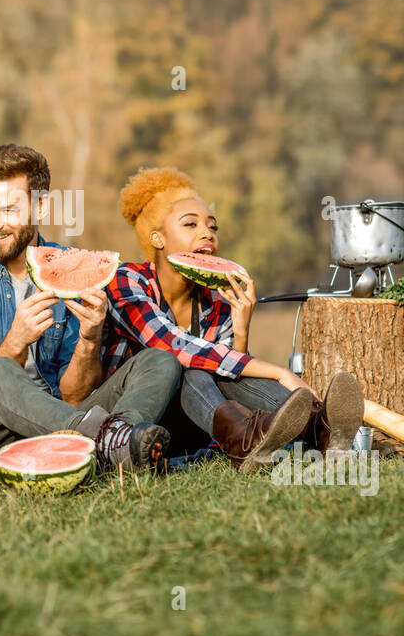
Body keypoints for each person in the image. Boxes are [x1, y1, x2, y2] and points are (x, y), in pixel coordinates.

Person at [0, 144, 183, 471]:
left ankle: (114, 446)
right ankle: (109, 443)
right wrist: (16, 340)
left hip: (60, 424)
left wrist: (90, 340)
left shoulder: (70, 267)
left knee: (160, 361)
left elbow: (74, 396)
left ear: (41, 209)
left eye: (8, 210)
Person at [104, 167, 364, 469]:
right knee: (188, 366)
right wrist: (279, 372)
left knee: (206, 369)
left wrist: (241, 328)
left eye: (212, 226)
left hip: (196, 427)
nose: (206, 233)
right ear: (158, 239)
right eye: (190, 224)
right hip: (133, 427)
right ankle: (278, 435)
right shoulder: (128, 280)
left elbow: (228, 371)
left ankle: (319, 430)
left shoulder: (216, 299)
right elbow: (170, 345)